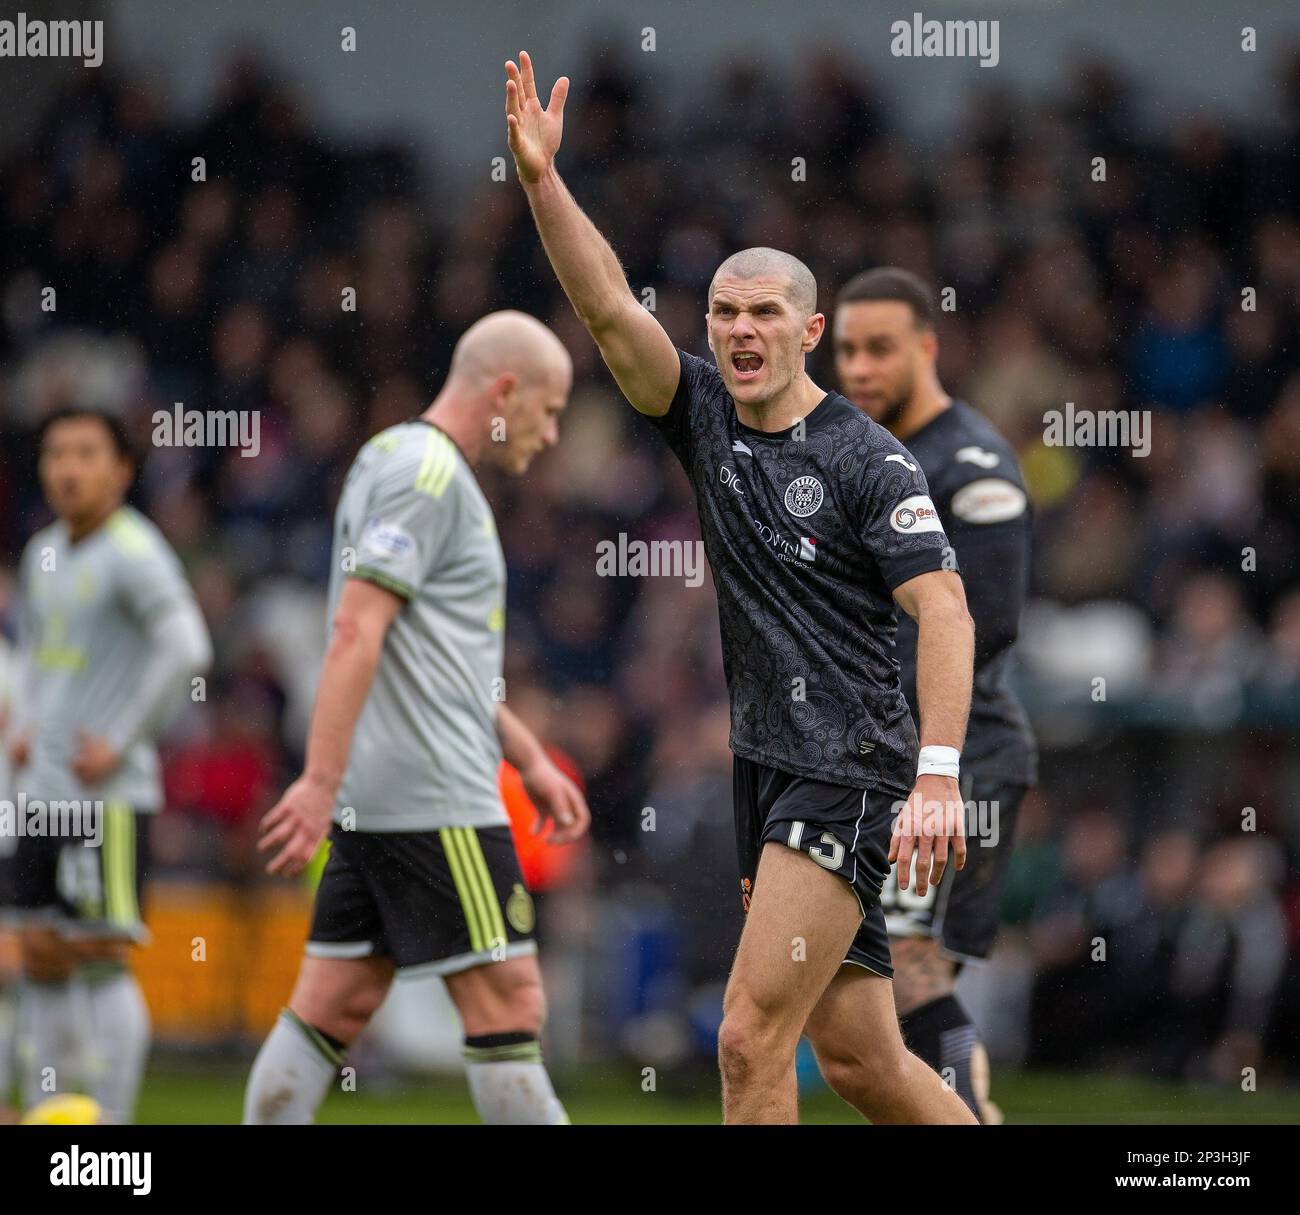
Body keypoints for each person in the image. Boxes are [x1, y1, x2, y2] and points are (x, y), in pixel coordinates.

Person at [505, 52, 976, 1124]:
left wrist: (937, 777)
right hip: (765, 768)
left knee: (744, 1041)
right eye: (724, 314)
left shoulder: (866, 461)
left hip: (846, 770)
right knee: (864, 1064)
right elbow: (611, 313)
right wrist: (541, 181)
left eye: (764, 313)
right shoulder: (703, 411)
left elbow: (942, 606)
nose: (741, 331)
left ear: (810, 333)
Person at [243, 310, 590, 1126]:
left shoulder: (387, 458)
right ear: (504, 390)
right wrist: (317, 782)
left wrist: (527, 753)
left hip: (383, 790)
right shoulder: (430, 478)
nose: (550, 433)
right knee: (511, 1001)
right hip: (436, 794)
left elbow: (429, 655)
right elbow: (357, 628)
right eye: (549, 408)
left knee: (334, 1000)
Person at [833, 267, 1037, 1122]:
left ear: (927, 346)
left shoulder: (975, 464)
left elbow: (984, 622)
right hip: (892, 756)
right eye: (844, 350)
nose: (858, 369)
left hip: (965, 757)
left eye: (880, 349)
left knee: (912, 961)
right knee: (880, 979)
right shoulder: (862, 451)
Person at [8, 408, 213, 1123]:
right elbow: (37, 653)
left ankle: (110, 1126)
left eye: (87, 452)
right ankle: (51, 1115)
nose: (69, 466)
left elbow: (187, 646)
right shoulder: (43, 554)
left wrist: (122, 740)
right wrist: (28, 723)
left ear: (122, 470)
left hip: (107, 796)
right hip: (42, 791)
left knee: (99, 951)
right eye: (56, 451)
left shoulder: (135, 549)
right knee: (39, 949)